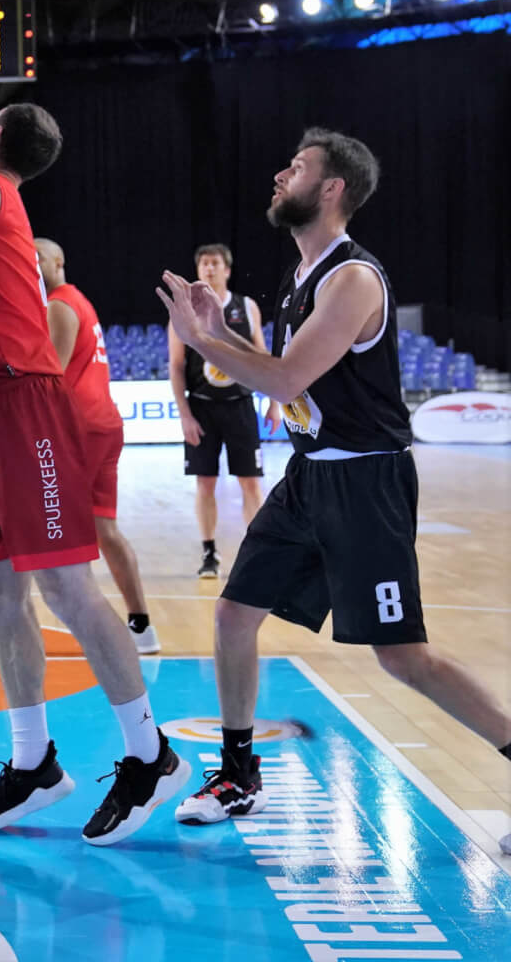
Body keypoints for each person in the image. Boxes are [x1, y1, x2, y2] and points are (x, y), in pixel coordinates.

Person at [158, 129, 511, 829]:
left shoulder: (352, 278)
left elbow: (286, 378)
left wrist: (205, 341)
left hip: (365, 484)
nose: (279, 175)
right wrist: (215, 333)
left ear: (331, 189)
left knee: (404, 658)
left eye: (297, 168)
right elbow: (287, 386)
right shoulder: (297, 280)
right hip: (309, 476)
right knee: (233, 615)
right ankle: (237, 775)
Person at [0, 103, 187, 846]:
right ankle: (34, 762)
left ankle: (150, 753)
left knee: (66, 587)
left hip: (25, 400)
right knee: (0, 590)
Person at [0, 238, 160, 655]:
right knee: (105, 530)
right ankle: (141, 626)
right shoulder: (80, 301)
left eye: (37, 257)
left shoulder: (59, 304)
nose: (32, 264)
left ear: (58, 260)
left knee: (19, 519)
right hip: (103, 423)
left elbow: (48, 377)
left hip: (75, 429)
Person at [167, 244, 281, 578]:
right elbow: (175, 366)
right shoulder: (184, 311)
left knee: (250, 482)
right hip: (202, 408)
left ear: (227, 270)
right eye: (203, 263)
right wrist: (185, 414)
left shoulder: (246, 306)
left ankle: (255, 552)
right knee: (205, 482)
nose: (209, 269)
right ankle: (209, 554)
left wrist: (275, 401)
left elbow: (261, 353)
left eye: (215, 263)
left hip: (241, 405)